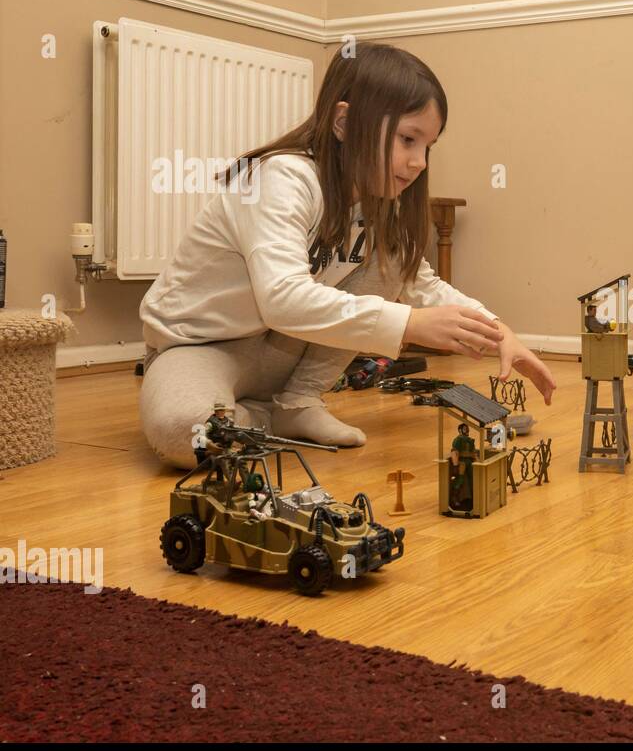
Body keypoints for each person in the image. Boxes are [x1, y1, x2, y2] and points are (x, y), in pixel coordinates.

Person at [139, 42, 556, 470]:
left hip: (277, 353)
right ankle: (258, 417)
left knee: (392, 265)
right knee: (186, 430)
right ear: (343, 122)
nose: (417, 163)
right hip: (200, 347)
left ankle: (295, 403)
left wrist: (498, 330)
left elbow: (419, 285)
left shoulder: (379, 205)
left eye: (427, 146)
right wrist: (411, 324)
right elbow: (282, 299)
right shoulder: (282, 178)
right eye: (407, 139)